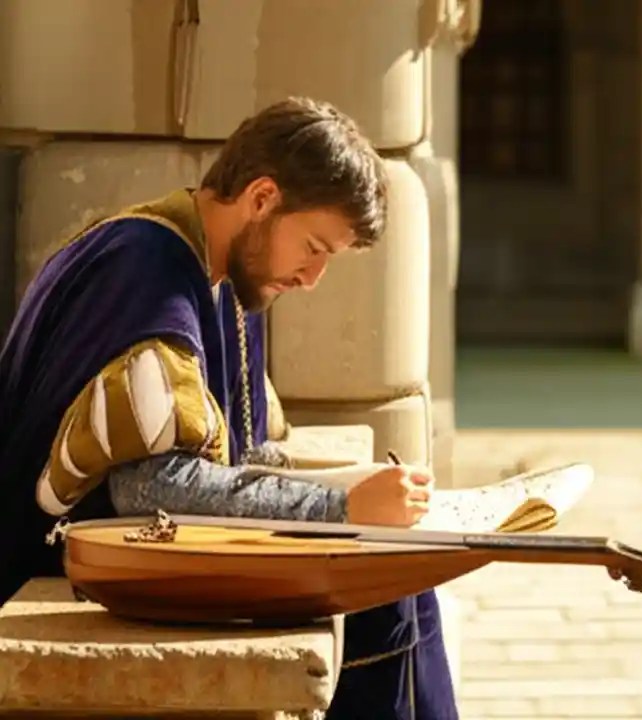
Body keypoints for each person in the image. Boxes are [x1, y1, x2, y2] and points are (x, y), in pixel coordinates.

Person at [0, 97, 458, 720]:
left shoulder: (229, 278)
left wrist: (357, 488)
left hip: (140, 552)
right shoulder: (145, 269)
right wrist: (341, 507)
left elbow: (234, 457)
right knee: (383, 591)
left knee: (403, 572)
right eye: (314, 246)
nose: (312, 277)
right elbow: (150, 489)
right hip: (62, 566)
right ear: (263, 197)